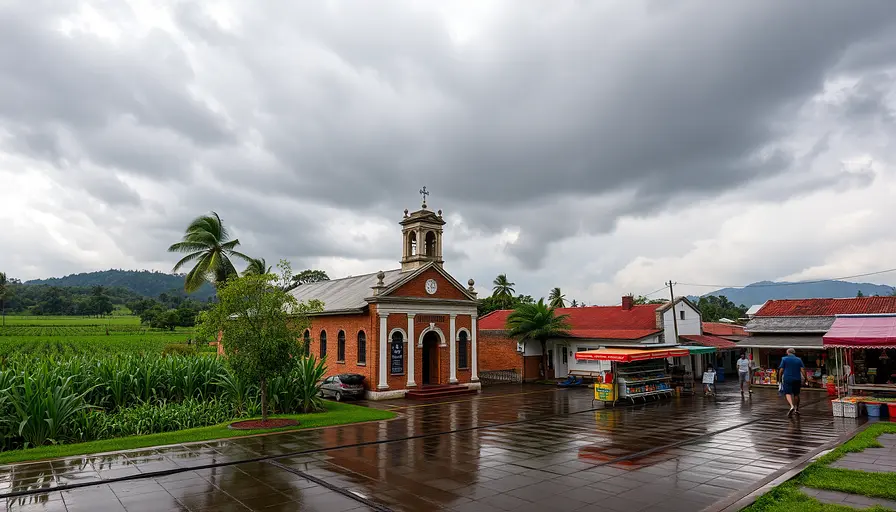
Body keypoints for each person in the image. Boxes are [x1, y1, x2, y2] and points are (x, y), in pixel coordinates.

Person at [778, 348, 807, 417]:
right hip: (797, 379)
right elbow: (802, 370)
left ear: (788, 352)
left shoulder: (784, 359)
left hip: (787, 378)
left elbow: (781, 370)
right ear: (794, 353)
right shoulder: (799, 359)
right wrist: (806, 378)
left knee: (787, 393)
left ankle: (791, 406)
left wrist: (779, 379)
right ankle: (796, 409)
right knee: (796, 394)